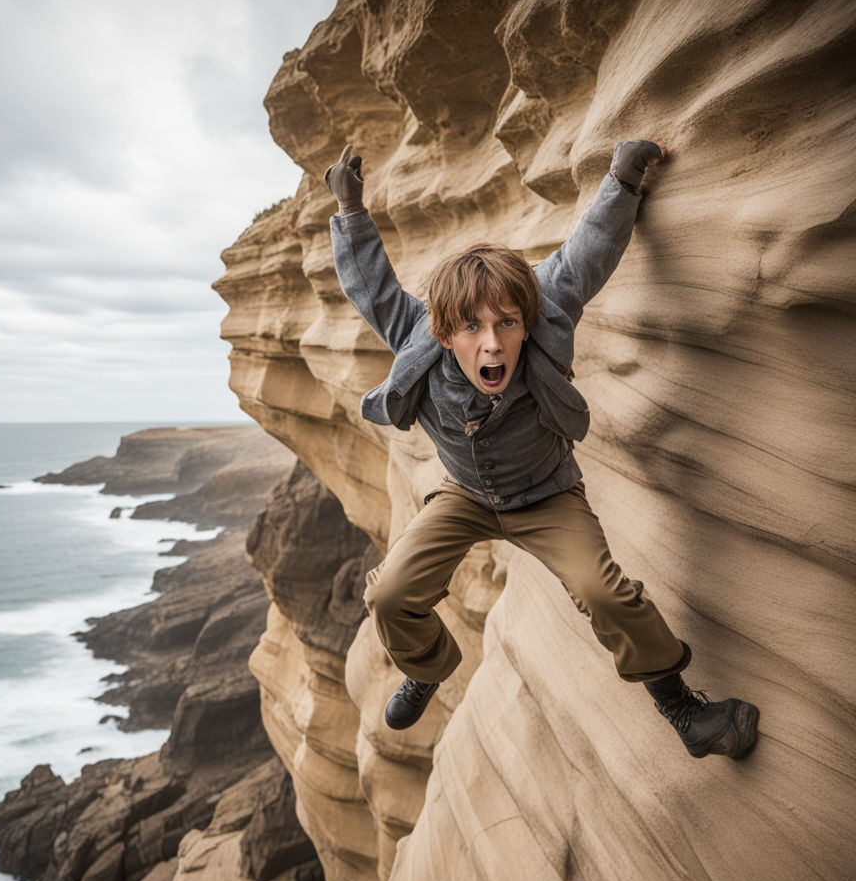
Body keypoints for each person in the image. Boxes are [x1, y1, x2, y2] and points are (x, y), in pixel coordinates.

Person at [324, 140, 759, 759]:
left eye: (506, 323)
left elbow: (590, 250)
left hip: (548, 494)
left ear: (526, 319)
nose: (494, 344)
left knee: (605, 592)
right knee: (390, 594)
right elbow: (370, 284)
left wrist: (625, 176)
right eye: (473, 328)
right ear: (445, 335)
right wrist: (349, 207)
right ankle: (427, 668)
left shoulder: (545, 306)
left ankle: (682, 707)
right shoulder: (417, 339)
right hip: (465, 497)